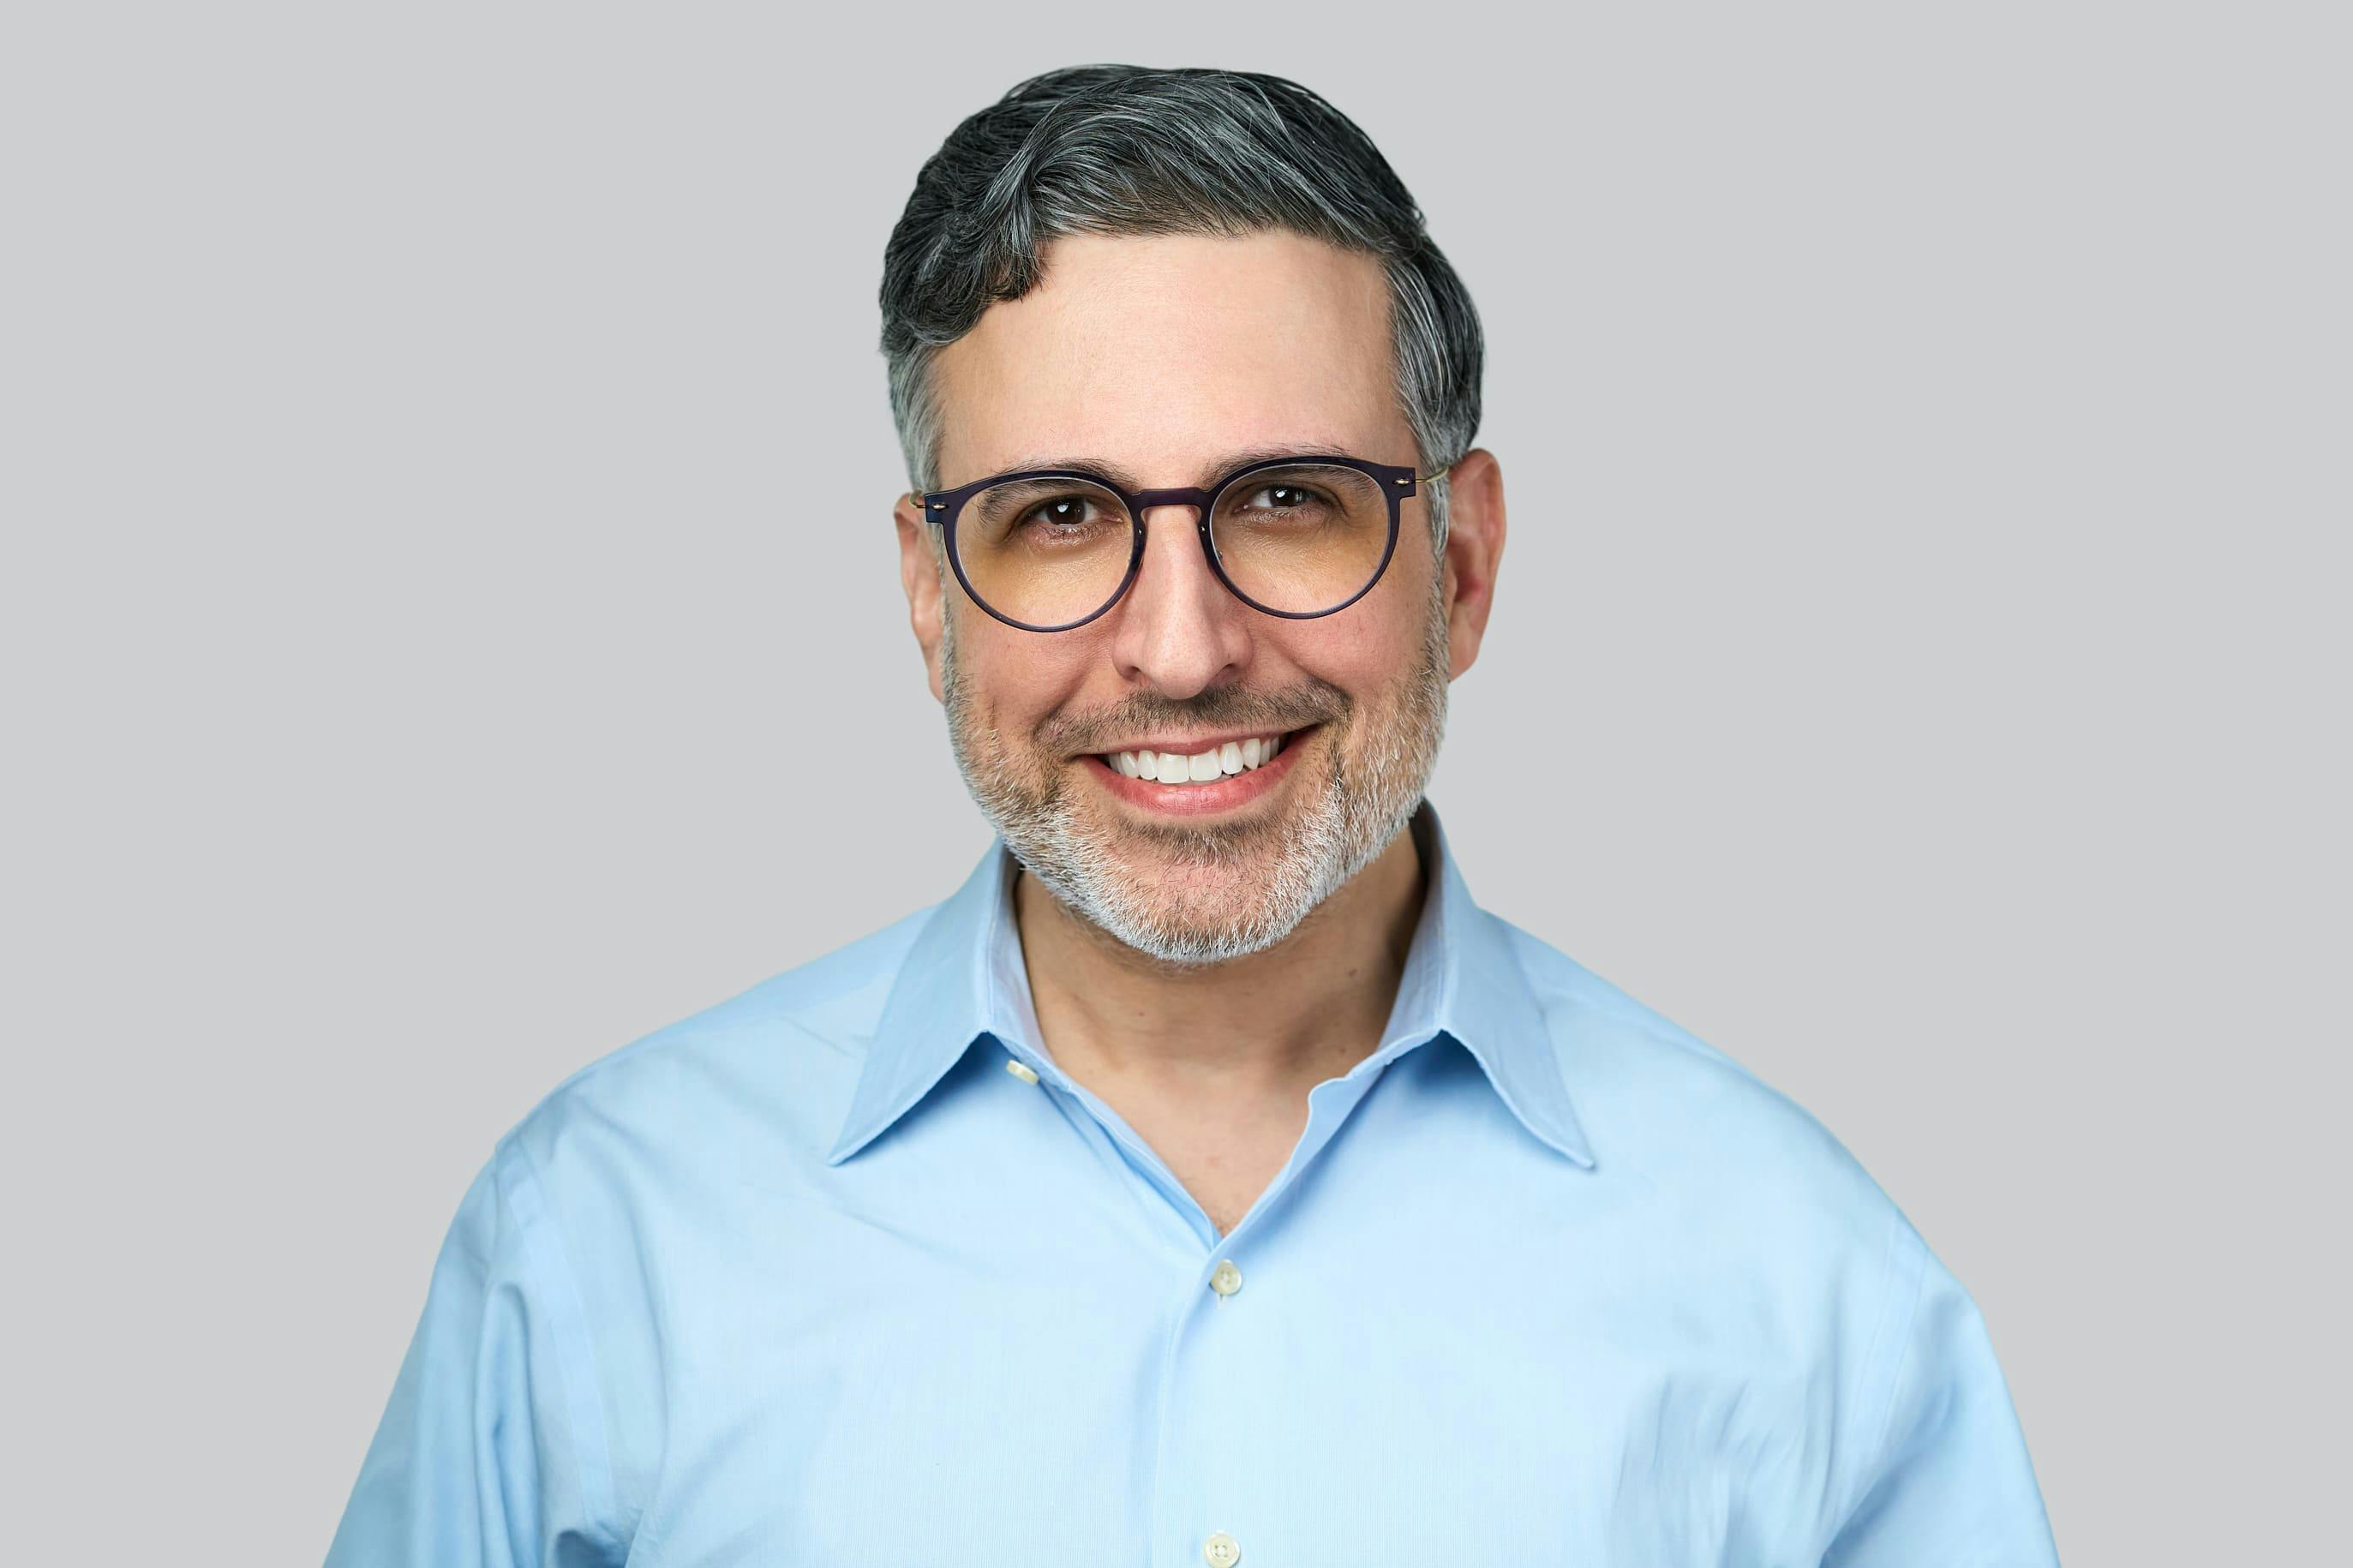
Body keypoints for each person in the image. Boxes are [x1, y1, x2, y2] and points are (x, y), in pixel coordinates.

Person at [326, 63, 2060, 1565]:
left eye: (1288, 500)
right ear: (931, 599)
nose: (1179, 648)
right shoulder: (598, 1236)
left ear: (1458, 565)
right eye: (1062, 514)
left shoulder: (1798, 1273)